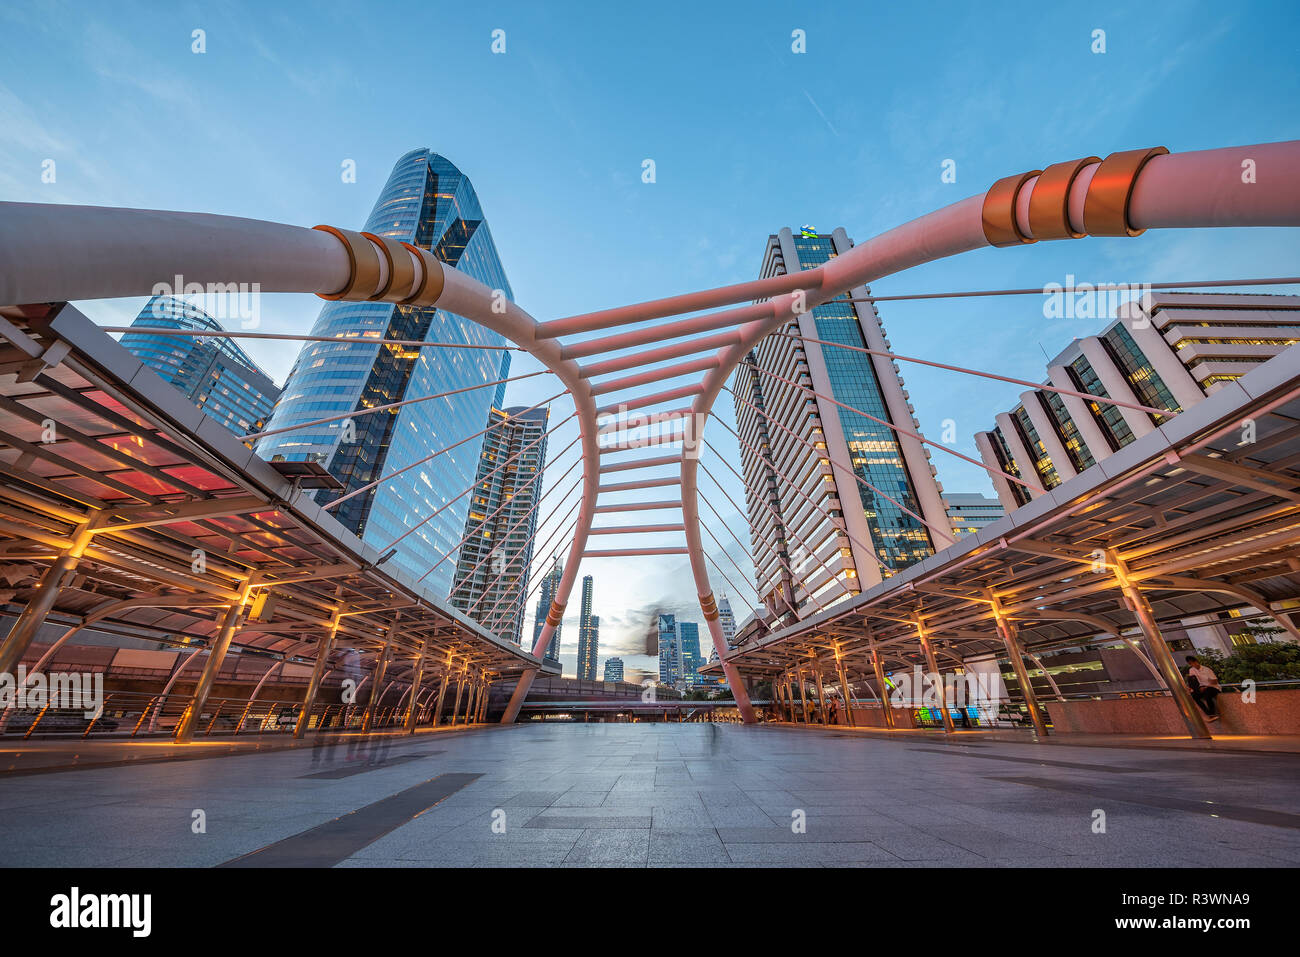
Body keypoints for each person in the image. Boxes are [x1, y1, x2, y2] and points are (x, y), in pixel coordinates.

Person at [1185, 655, 1221, 721]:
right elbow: (1193, 681)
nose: (1192, 665)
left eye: (1192, 663)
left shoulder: (1207, 670)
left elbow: (1215, 681)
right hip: (1202, 688)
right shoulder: (1191, 670)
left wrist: (1206, 686)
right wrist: (1192, 688)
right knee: (1194, 696)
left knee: (1207, 693)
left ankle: (1212, 713)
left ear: (1196, 661)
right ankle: (1208, 713)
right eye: (1190, 664)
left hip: (1213, 687)